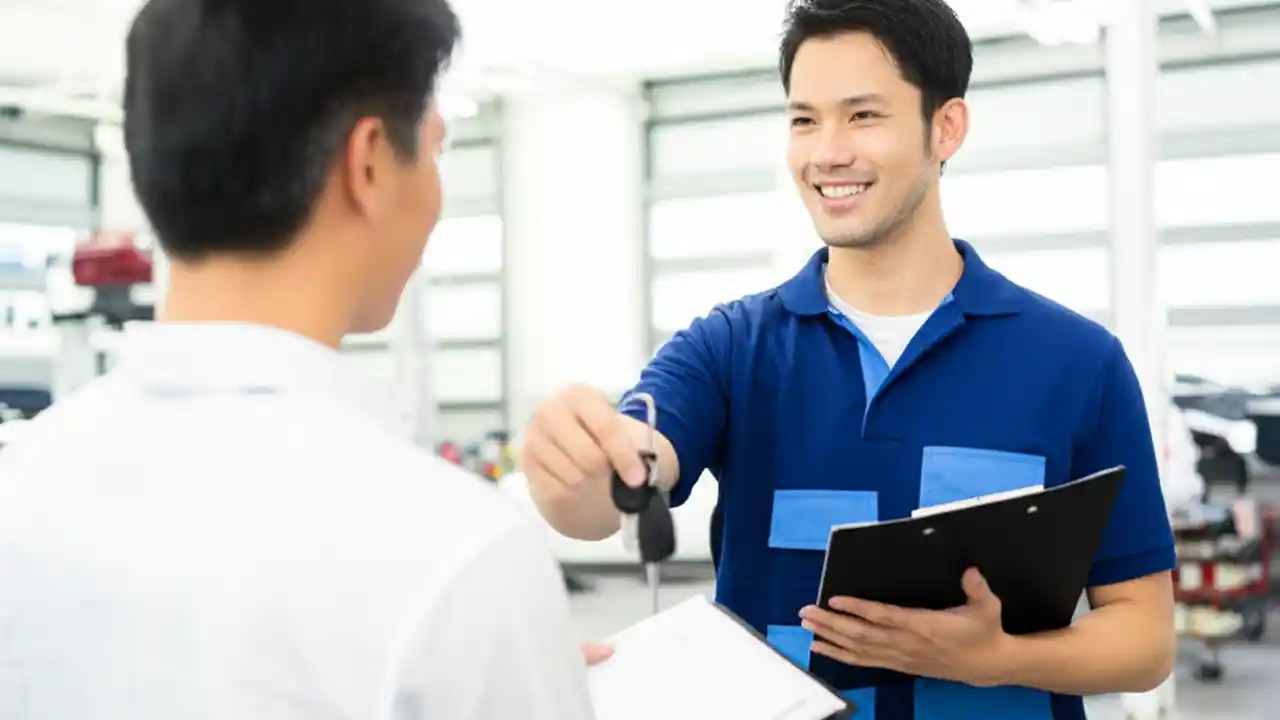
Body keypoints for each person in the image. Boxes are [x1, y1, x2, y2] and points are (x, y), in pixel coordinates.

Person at [521, 0, 1176, 718]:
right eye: (805, 119)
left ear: (945, 127)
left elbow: (1144, 639)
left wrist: (999, 661)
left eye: (863, 115)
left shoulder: (1076, 363)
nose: (827, 151)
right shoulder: (729, 348)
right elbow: (617, 483)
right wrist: (574, 470)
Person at [0, 1, 596, 719]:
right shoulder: (456, 559)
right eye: (436, 151)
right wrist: (508, 669)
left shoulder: (20, 489)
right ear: (369, 161)